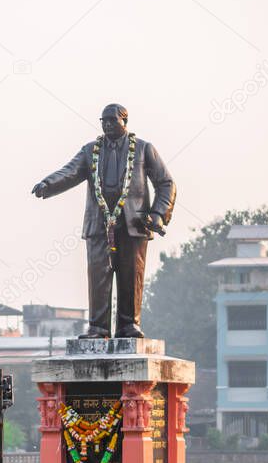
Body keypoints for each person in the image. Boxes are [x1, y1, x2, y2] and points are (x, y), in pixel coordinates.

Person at [32, 103, 176, 338]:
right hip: (99, 224)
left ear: (125, 122)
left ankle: (129, 325)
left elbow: (166, 183)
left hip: (134, 223)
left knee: (131, 275)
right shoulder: (90, 151)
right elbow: (70, 172)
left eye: (113, 120)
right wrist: (47, 184)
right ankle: (98, 328)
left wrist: (158, 214)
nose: (108, 124)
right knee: (98, 275)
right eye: (104, 121)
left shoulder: (143, 149)